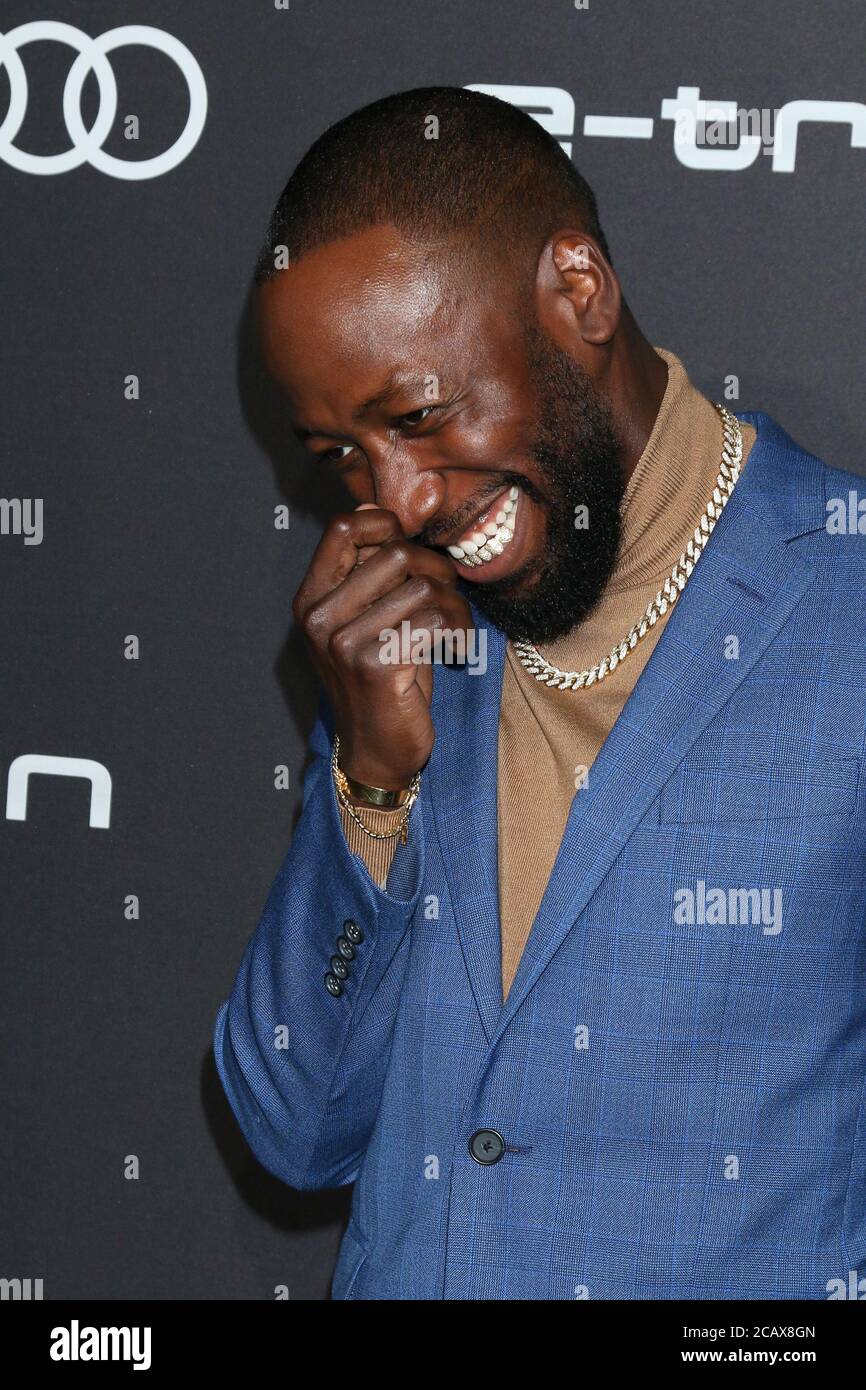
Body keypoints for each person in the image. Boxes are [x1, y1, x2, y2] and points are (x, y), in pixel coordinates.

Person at [214, 86, 866, 1300]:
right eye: (342, 453)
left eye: (418, 413)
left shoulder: (847, 603)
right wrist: (370, 781)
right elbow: (297, 1130)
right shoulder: (399, 640)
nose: (397, 498)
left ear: (577, 291)